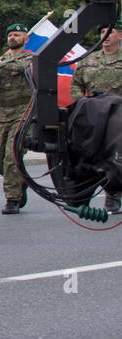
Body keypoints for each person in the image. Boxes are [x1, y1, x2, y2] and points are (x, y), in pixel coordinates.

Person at [70, 17, 122, 212]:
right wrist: (81, 103)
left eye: (110, 32)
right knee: (92, 155)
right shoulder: (89, 59)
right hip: (93, 116)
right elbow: (76, 83)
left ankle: (113, 195)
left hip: (118, 117)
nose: (105, 36)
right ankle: (84, 194)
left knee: (114, 157)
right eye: (102, 33)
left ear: (120, 35)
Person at [0, 23, 34, 215]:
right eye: (10, 35)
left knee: (12, 156)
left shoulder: (30, 57)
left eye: (17, 35)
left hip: (22, 112)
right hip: (2, 113)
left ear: (25, 39)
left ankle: (12, 199)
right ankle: (20, 181)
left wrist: (1, 64)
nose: (13, 38)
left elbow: (22, 67)